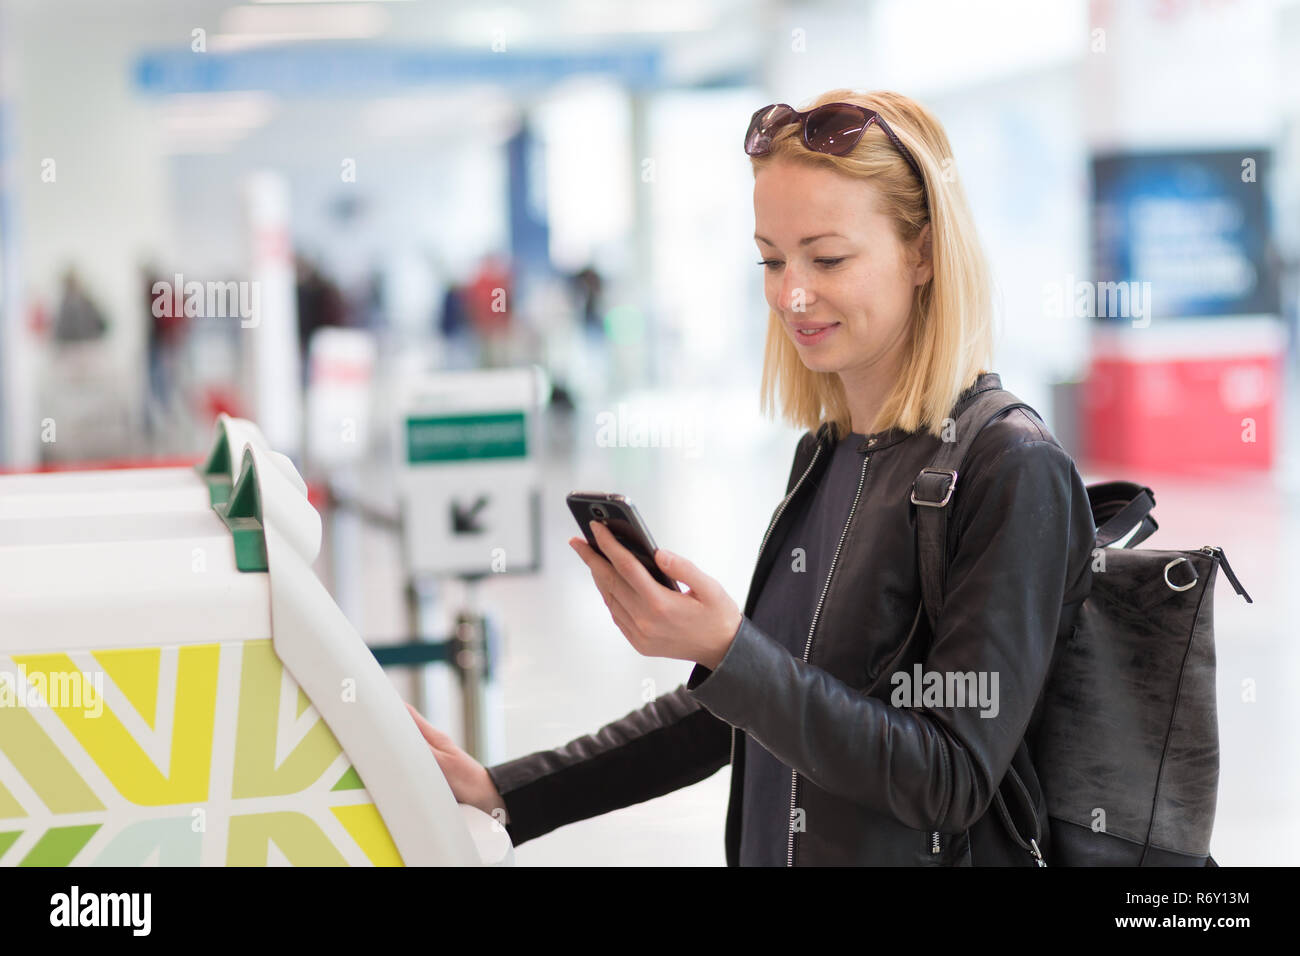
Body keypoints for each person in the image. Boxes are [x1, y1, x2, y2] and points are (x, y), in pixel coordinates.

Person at [405, 89, 1096, 866]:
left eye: (827, 258)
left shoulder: (1008, 468)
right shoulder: (830, 454)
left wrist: (735, 652)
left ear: (925, 253)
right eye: (772, 259)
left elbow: (951, 776)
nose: (790, 293)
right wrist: (507, 791)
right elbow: (734, 714)